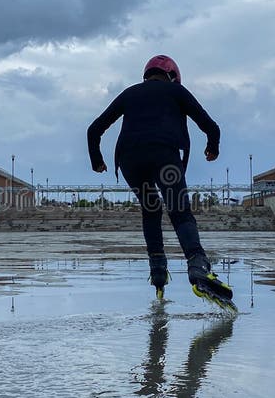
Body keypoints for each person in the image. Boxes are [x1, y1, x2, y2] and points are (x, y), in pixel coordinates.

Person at [87, 54, 234, 307]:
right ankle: (197, 265)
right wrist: (213, 148)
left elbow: (94, 130)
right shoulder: (176, 92)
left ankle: (158, 271)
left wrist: (97, 161)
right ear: (172, 76)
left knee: (151, 210)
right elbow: (211, 126)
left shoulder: (129, 93)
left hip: (130, 162)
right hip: (164, 157)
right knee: (180, 212)